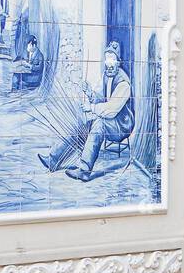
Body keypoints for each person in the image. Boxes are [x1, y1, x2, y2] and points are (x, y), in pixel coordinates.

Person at [37, 42, 135, 179]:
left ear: (119, 61)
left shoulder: (123, 83)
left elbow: (112, 110)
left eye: (113, 59)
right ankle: (53, 159)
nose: (109, 63)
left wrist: (92, 108)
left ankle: (84, 170)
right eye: (107, 59)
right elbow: (101, 98)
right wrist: (90, 93)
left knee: (99, 124)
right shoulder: (106, 76)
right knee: (84, 124)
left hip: (121, 125)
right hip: (110, 120)